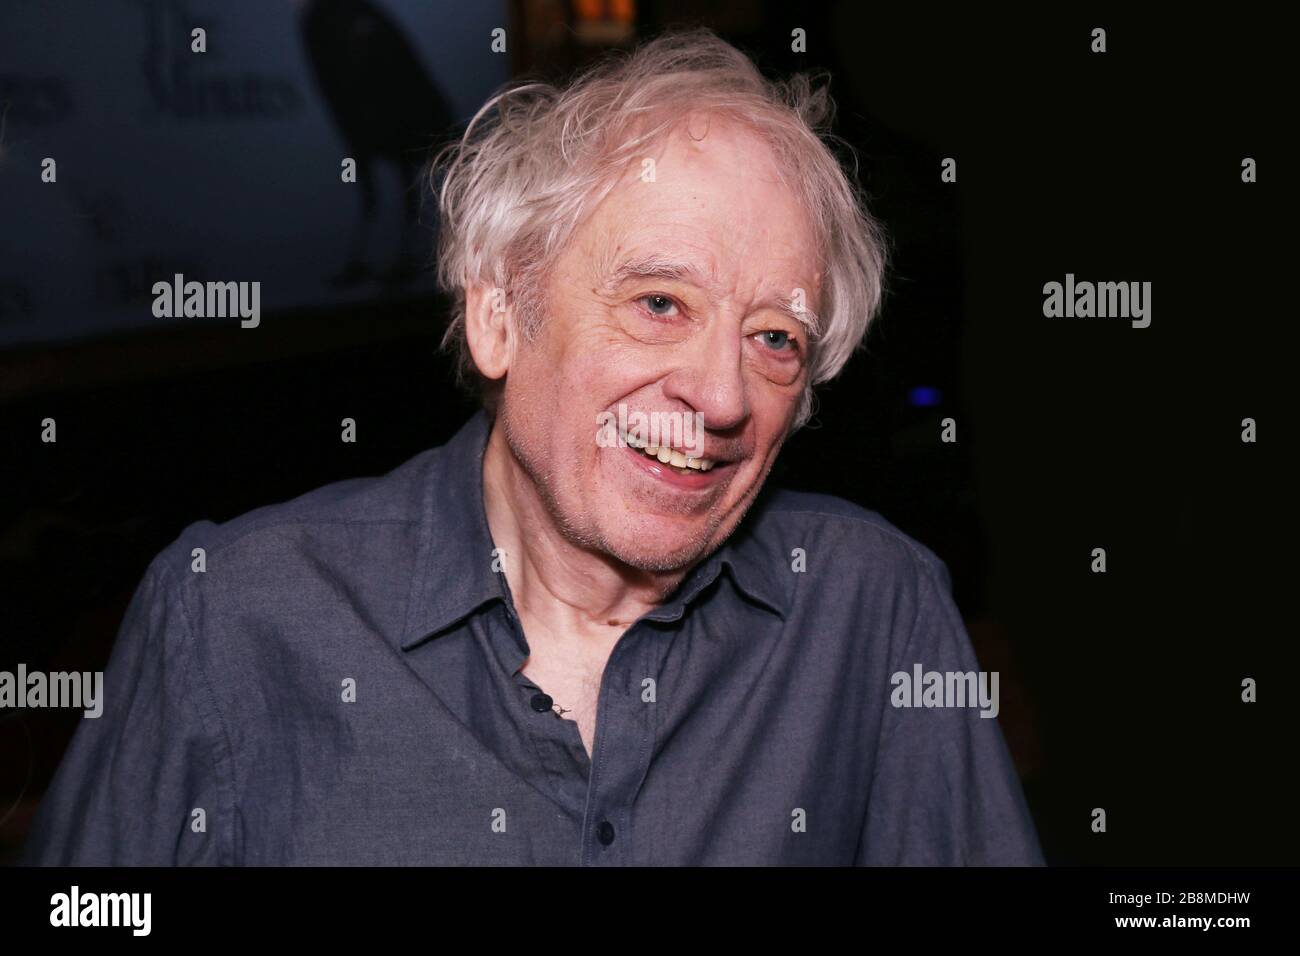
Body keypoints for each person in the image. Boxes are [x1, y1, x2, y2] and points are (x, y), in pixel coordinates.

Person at [22, 29, 1043, 865]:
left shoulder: (874, 608)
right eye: (658, 301)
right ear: (499, 315)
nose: (723, 393)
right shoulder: (233, 616)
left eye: (775, 337)